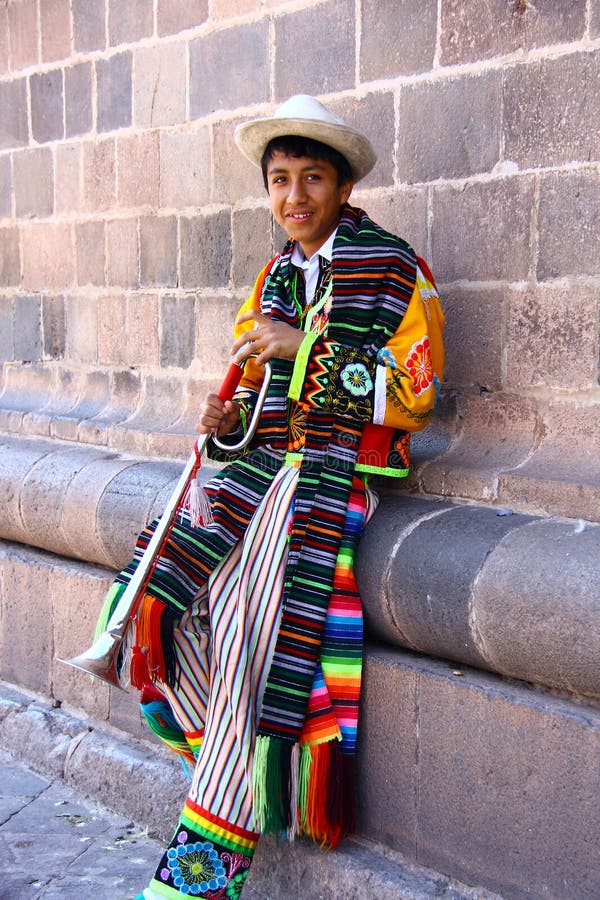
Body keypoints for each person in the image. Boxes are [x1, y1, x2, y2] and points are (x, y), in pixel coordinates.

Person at [93, 94, 444, 899]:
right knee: (151, 593)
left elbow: (416, 391)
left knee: (252, 631)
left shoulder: (394, 269)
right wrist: (227, 422)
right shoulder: (274, 279)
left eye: (311, 178)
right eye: (279, 180)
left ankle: (198, 877)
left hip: (328, 482)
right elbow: (257, 409)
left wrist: (306, 349)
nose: (294, 198)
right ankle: (234, 752)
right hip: (260, 477)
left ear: (345, 187)